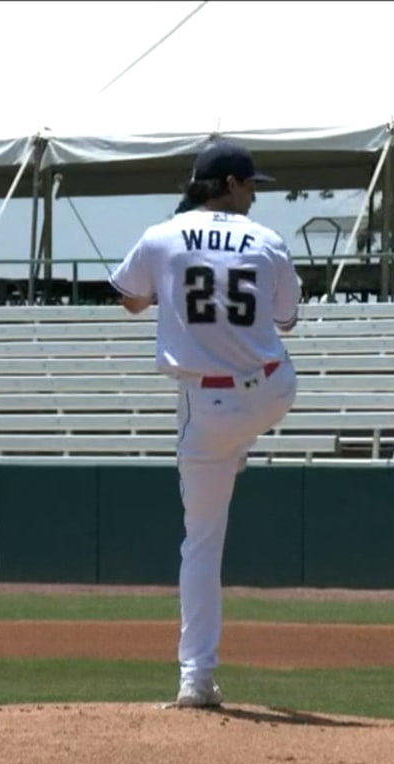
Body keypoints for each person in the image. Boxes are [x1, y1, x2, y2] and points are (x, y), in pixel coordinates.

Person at [110, 139, 301, 709]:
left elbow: (128, 300)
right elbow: (287, 319)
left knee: (202, 542)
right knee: (253, 401)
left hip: (205, 404)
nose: (253, 195)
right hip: (272, 390)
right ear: (228, 185)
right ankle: (238, 445)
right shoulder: (266, 241)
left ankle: (196, 679)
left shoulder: (160, 235)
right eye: (249, 185)